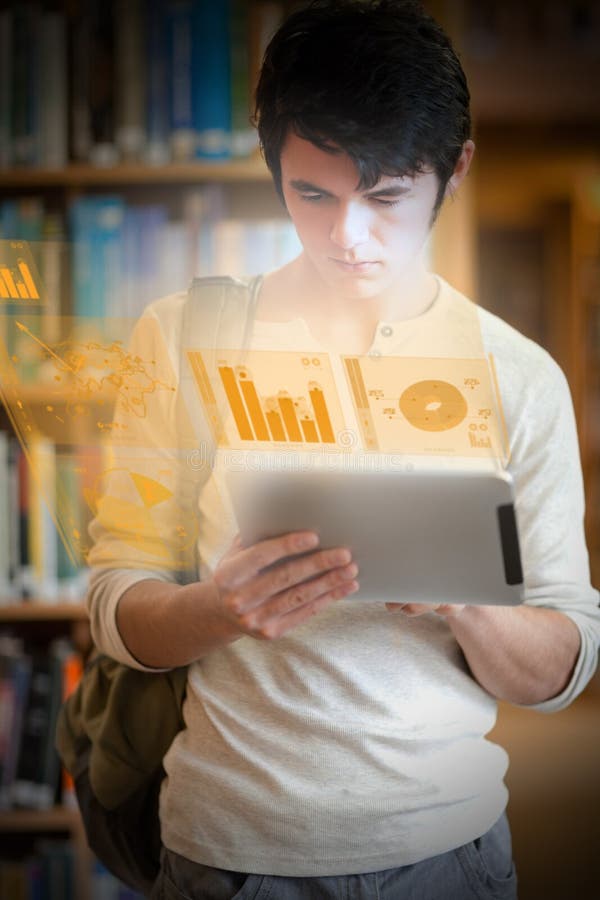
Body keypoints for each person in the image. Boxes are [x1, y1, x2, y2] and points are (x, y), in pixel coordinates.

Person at [86, 1, 600, 898]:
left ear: (456, 171)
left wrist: (468, 602)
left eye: (389, 196)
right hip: (228, 852)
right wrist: (218, 608)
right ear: (272, 166)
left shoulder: (519, 375)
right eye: (312, 194)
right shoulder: (180, 338)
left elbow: (563, 667)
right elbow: (114, 602)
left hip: (450, 853)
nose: (348, 236)